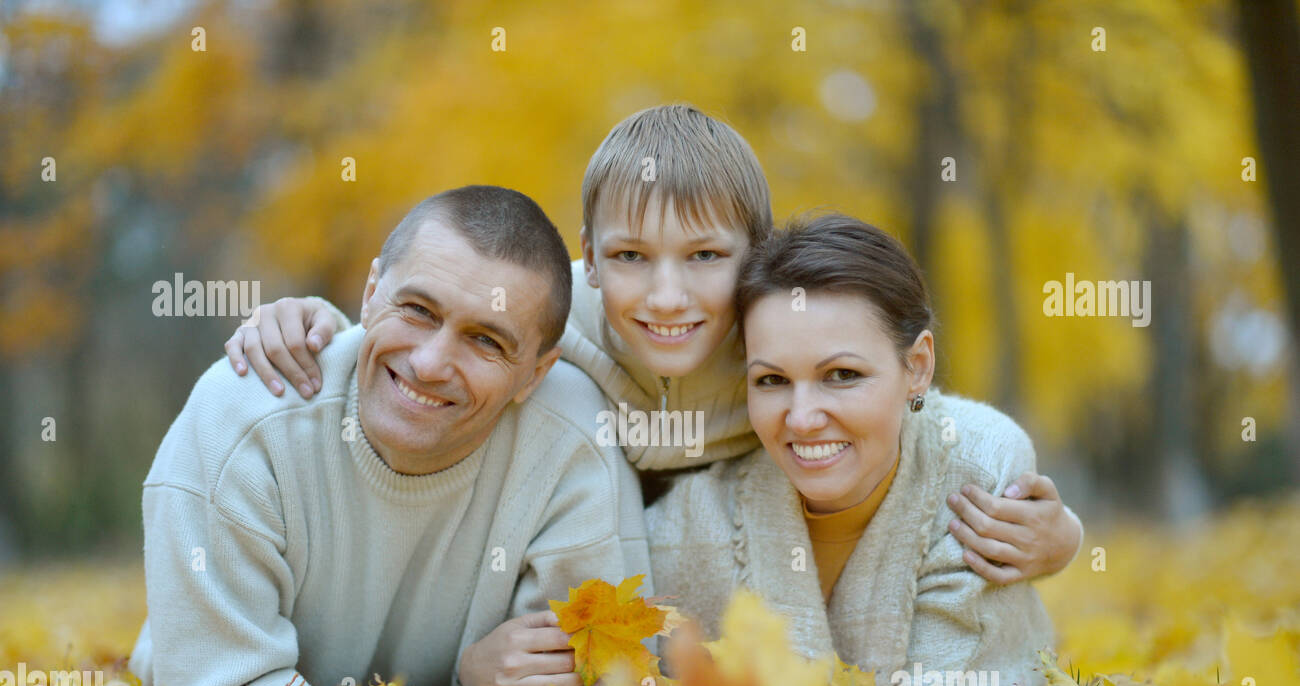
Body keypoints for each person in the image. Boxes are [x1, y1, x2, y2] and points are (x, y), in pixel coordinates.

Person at [223, 104, 1082, 583]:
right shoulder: (554, 323)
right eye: (631, 257)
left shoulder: (779, 349)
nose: (667, 297)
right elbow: (426, 333)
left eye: (705, 258)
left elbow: (902, 412)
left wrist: (1065, 534)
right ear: (589, 260)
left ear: (756, 259)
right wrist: (310, 317)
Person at [129, 186, 650, 686]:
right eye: (418, 310)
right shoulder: (243, 419)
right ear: (371, 292)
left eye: (486, 341)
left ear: (536, 373)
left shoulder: (571, 440)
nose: (429, 363)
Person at [647, 214, 1056, 686]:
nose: (800, 420)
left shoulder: (975, 463)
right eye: (772, 381)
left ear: (918, 366)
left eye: (841, 374)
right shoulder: (697, 510)